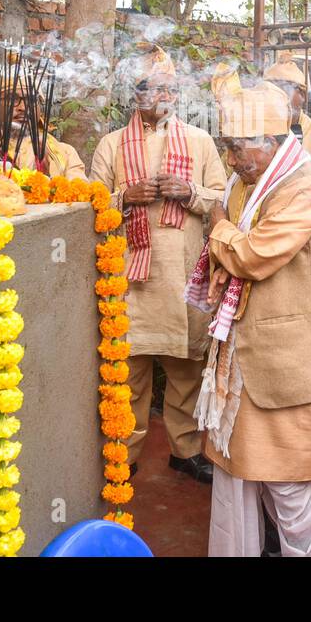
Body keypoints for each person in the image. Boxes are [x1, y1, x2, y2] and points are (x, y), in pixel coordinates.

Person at [186, 81, 311, 557]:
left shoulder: (304, 187)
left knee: (290, 483)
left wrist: (216, 222)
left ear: (272, 143)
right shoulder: (245, 182)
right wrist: (222, 230)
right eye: (227, 148)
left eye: (237, 149)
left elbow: (250, 255)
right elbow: (228, 253)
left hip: (288, 364)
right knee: (235, 479)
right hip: (239, 354)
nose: (232, 160)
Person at [90, 44, 228, 482]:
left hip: (183, 275)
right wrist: (123, 199)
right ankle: (123, 456)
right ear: (136, 94)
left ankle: (184, 450)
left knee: (187, 371)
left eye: (170, 88)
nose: (163, 96)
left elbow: (221, 200)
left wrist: (188, 192)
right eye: (153, 88)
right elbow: (89, 210)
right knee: (129, 374)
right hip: (130, 279)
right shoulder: (111, 145)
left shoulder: (200, 141)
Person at [0, 75, 86, 178]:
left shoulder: (66, 154)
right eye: (13, 99)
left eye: (31, 100)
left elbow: (80, 198)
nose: (23, 108)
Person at [263, 52, 311, 166]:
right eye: (268, 92)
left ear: (302, 95)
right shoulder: (253, 135)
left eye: (282, 91)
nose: (274, 99)